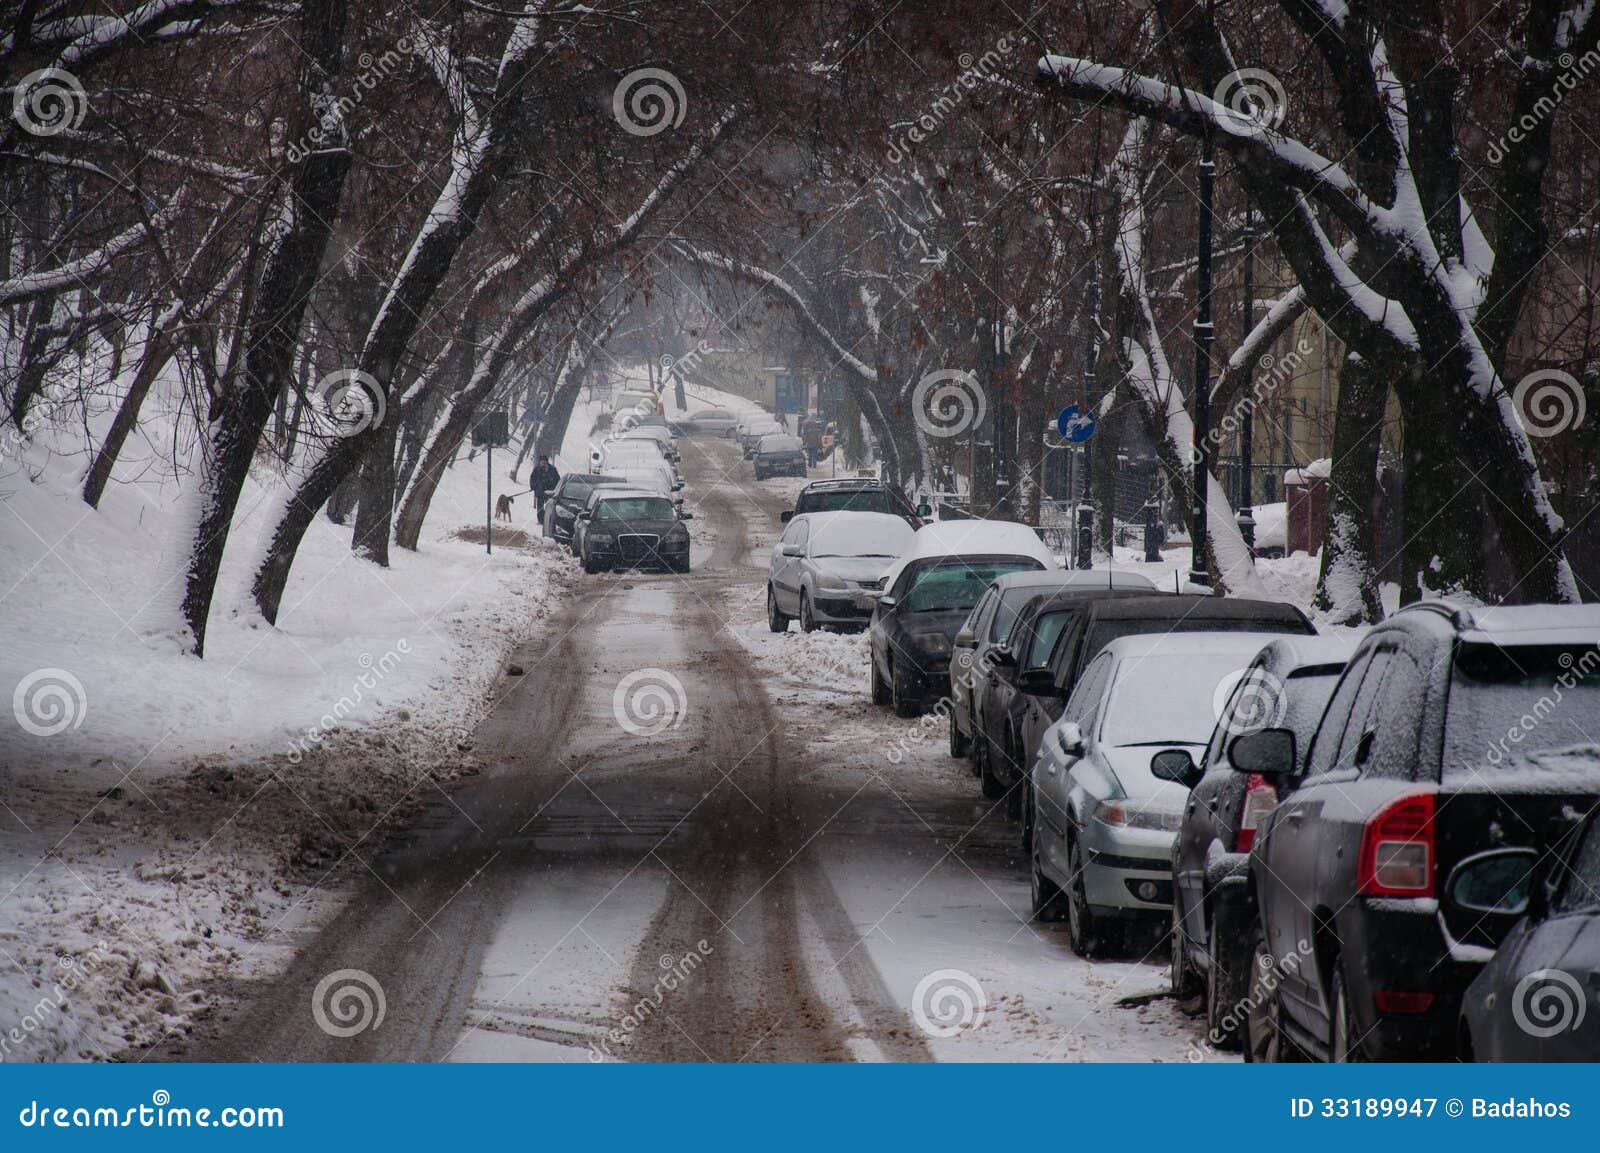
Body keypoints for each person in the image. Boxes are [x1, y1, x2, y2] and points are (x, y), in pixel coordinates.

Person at [531, 454, 560, 522]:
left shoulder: (553, 469)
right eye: (542, 461)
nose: (543, 462)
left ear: (547, 462)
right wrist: (533, 486)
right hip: (540, 491)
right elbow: (532, 478)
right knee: (540, 507)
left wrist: (555, 489)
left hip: (549, 492)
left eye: (544, 461)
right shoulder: (536, 469)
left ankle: (548, 520)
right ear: (539, 462)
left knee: (549, 506)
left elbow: (558, 480)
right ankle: (541, 520)